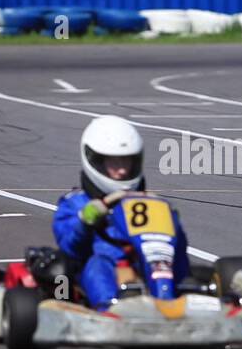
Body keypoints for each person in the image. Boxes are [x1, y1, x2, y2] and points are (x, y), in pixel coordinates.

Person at [52, 115, 190, 308]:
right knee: (98, 265)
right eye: (114, 163)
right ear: (96, 161)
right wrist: (85, 220)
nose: (123, 171)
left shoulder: (149, 202)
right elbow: (69, 247)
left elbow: (180, 250)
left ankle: (181, 300)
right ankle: (109, 310)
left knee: (178, 261)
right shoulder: (76, 203)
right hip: (95, 271)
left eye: (127, 162)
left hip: (145, 266)